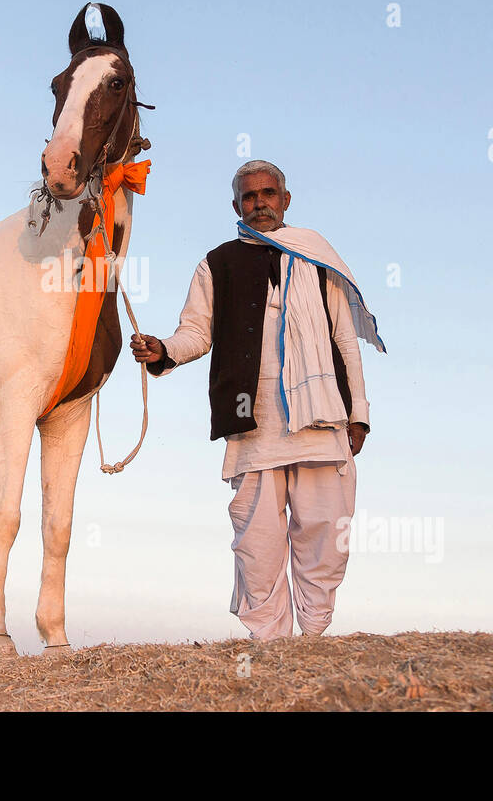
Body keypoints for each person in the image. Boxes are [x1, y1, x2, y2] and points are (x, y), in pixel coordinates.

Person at [130, 160, 384, 639]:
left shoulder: (315, 256)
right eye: (250, 197)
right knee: (258, 545)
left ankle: (313, 641)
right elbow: (196, 333)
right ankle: (270, 648)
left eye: (268, 194)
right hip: (253, 426)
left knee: (324, 539)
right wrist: (163, 350)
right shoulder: (217, 262)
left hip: (323, 422)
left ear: (286, 200)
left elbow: (345, 341)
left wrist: (359, 417)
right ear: (236, 206)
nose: (260, 203)